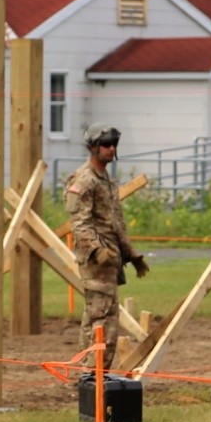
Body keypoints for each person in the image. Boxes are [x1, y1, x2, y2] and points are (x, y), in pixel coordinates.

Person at [63, 123, 147, 355]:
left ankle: (93, 370)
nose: (111, 149)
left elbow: (114, 223)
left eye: (114, 144)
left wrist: (131, 254)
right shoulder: (84, 180)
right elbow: (80, 223)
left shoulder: (105, 180)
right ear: (93, 147)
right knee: (100, 319)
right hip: (96, 261)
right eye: (106, 144)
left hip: (110, 259)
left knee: (106, 317)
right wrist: (97, 251)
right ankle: (90, 370)